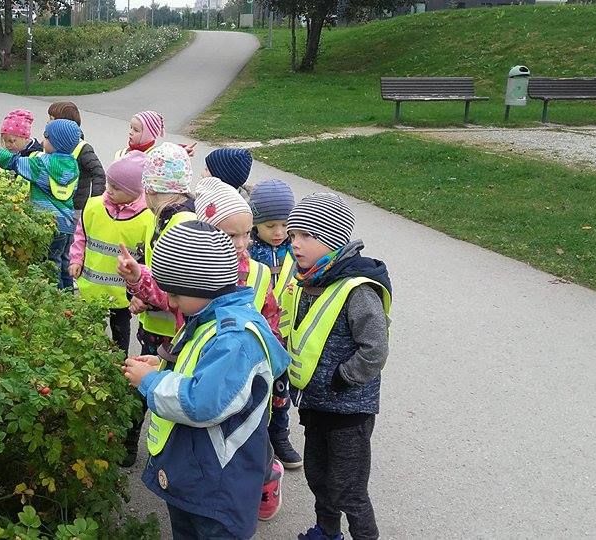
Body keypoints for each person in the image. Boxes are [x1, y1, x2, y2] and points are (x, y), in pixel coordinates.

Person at [119, 177, 288, 521]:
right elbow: (195, 347)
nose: (173, 303)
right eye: (231, 236)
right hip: (212, 452)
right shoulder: (205, 302)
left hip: (218, 487)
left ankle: (266, 483)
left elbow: (201, 401)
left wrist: (152, 382)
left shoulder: (234, 332)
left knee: (250, 444)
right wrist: (165, 366)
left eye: (246, 235)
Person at [284, 193, 392, 540]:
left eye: (306, 236)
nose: (295, 244)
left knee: (349, 488)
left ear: (332, 239)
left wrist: (343, 376)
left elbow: (375, 349)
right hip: (316, 404)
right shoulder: (309, 280)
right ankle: (326, 532)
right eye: (292, 235)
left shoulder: (357, 290)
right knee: (318, 476)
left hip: (349, 409)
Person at [117, 142, 195, 467]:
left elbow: (177, 287)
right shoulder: (159, 219)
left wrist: (142, 289)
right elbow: (150, 267)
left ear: (148, 188)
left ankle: (160, 456)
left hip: (175, 332)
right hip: (155, 325)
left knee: (159, 388)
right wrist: (136, 290)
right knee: (145, 382)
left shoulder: (181, 226)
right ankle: (132, 444)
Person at [0, 119, 82, 289]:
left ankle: (56, 303)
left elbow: (12, 161)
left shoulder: (43, 165)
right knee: (63, 264)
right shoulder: (72, 165)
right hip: (67, 224)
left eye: (47, 137)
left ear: (57, 142)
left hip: (48, 225)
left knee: (49, 267)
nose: (43, 141)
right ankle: (68, 302)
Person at [68, 151, 153, 354]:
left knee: (120, 332)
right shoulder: (94, 205)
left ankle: (118, 362)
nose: (109, 190)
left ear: (135, 191)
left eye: (116, 188)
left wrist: (143, 291)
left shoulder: (147, 217)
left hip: (122, 293)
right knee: (86, 329)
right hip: (91, 286)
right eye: (109, 184)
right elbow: (81, 235)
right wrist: (76, 259)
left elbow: (148, 256)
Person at [249, 179, 303, 469]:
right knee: (255, 390)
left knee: (281, 392)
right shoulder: (247, 250)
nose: (279, 232)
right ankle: (256, 439)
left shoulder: (296, 250)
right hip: (257, 335)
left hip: (284, 337)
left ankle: (279, 435)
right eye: (271, 225)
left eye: (285, 224)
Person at [47, 101, 106, 288]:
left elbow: (99, 172)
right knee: (63, 252)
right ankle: (66, 291)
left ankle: (65, 291)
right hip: (61, 204)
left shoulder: (82, 148)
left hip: (76, 208)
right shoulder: (54, 145)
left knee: (67, 252)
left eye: (52, 120)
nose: (48, 124)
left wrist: (95, 201)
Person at [115, 111, 195, 159]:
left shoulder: (155, 156)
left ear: (148, 135)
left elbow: (170, 155)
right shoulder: (122, 154)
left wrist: (183, 152)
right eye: (131, 127)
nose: (130, 132)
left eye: (136, 130)